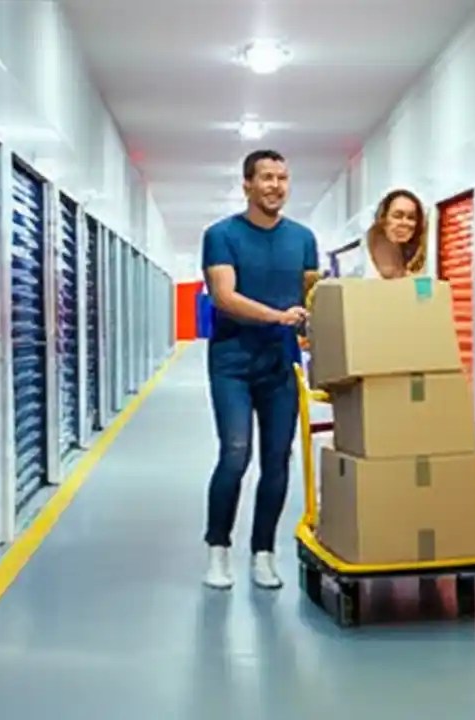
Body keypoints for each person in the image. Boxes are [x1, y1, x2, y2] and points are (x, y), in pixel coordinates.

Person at [199, 148, 320, 590]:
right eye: (266, 177)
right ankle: (218, 549)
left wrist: (314, 332)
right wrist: (277, 317)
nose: (275, 186)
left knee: (277, 460)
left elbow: (311, 298)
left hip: (280, 364)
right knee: (235, 454)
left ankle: (264, 553)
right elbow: (224, 297)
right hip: (232, 361)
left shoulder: (303, 238)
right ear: (247, 183)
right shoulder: (221, 235)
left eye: (282, 178)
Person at [361, 188, 428, 279]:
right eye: (397, 216)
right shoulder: (367, 254)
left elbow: (425, 292)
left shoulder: (423, 256)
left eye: (411, 218)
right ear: (383, 219)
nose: (404, 223)